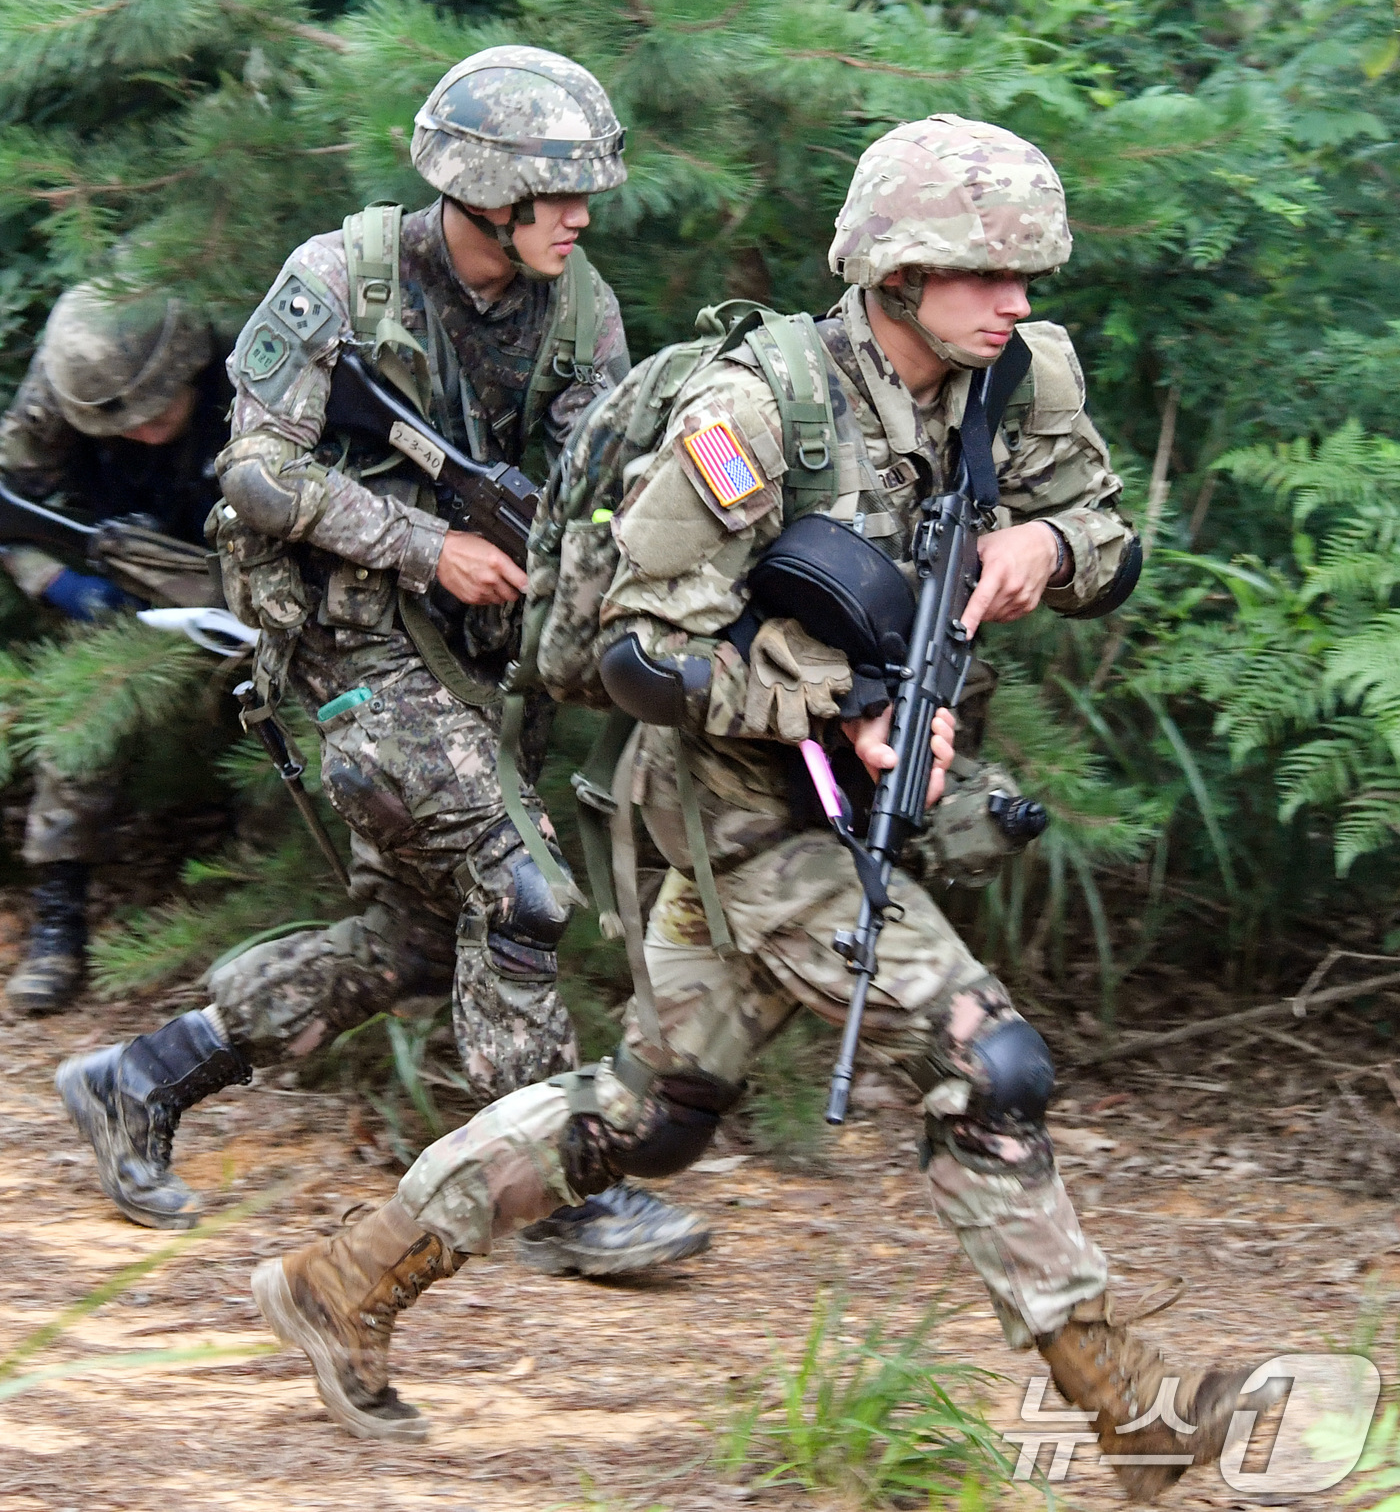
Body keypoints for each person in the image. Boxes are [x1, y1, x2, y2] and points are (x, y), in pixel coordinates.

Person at [245, 114, 1270, 1497]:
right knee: (990, 1058)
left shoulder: (1015, 382)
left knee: (650, 1110)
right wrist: (835, 699)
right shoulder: (761, 410)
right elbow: (636, 649)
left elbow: (1109, 538)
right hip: (733, 809)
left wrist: (1048, 542)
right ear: (895, 275)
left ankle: (344, 1277)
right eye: (983, 273)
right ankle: (1130, 1413)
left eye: (1028, 276)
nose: (1018, 301)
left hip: (854, 802)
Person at [56, 46, 708, 1279]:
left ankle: (136, 1079)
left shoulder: (578, 307)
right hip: (347, 642)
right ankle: (551, 1196)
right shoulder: (341, 279)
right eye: (555, 195)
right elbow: (254, 468)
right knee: (522, 895)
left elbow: (603, 478)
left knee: (416, 941)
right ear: (482, 190)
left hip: (474, 657)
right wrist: (427, 543)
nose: (580, 217)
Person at [0, 281, 229, 1015]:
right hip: (122, 577)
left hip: (245, 574)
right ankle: (58, 914)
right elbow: (9, 509)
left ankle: (248, 897)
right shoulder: (59, 393)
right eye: (122, 421)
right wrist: (61, 584)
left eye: (159, 411)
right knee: (82, 718)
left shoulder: (243, 362)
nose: (142, 428)